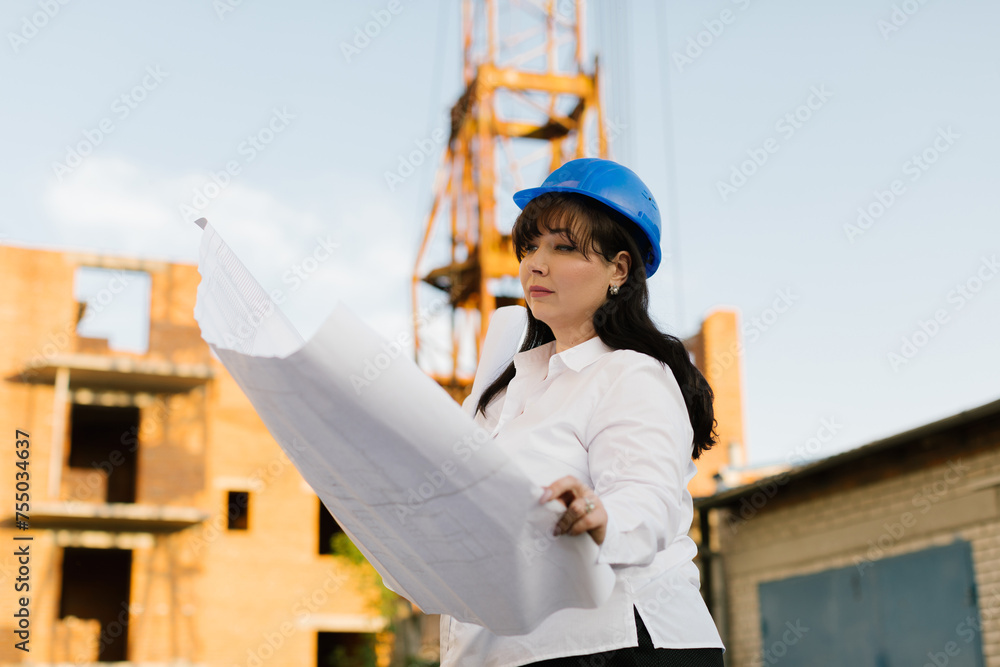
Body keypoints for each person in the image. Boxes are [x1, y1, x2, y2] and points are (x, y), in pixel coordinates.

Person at [438, 158, 726, 667]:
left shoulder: (630, 374)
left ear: (619, 268)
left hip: (622, 641)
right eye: (529, 247)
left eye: (562, 247)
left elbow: (647, 496)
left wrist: (601, 515)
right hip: (513, 648)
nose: (535, 264)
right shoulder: (504, 391)